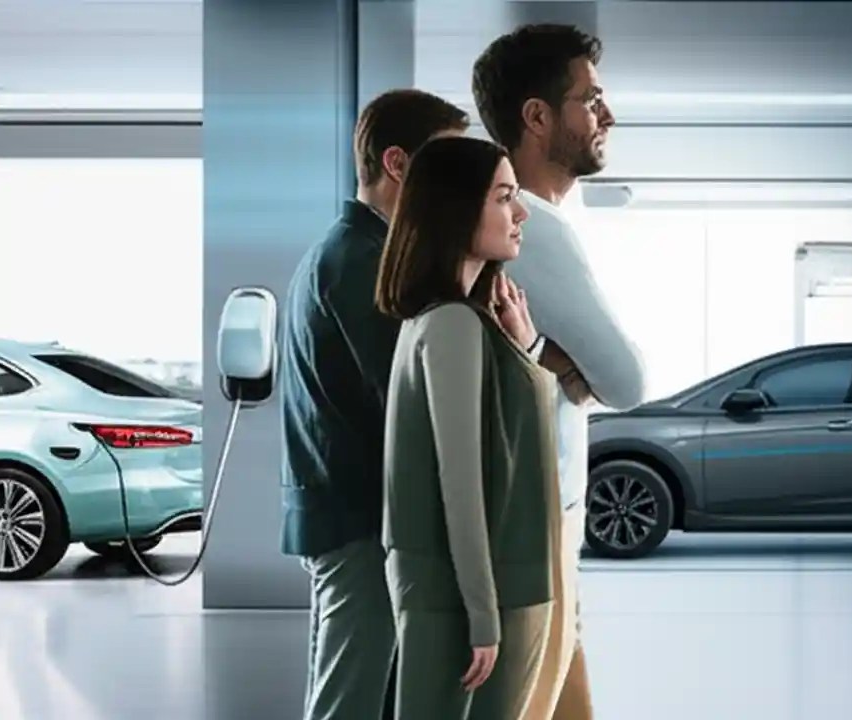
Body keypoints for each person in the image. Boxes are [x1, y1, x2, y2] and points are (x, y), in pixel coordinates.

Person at [473, 23, 648, 719]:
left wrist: (554, 356)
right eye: (590, 99)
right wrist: (563, 362)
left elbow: (600, 372)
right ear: (538, 116)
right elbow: (627, 380)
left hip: (545, 527)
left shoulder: (525, 225)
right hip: (531, 534)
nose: (608, 115)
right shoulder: (535, 229)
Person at [277, 89, 469, 720]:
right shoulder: (360, 260)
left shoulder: (344, 251)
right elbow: (409, 395)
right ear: (397, 164)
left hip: (348, 513)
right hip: (359, 520)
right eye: (440, 164)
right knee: (348, 700)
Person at [375, 135, 556, 720]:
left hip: (477, 588)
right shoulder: (453, 324)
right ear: (456, 207)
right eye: (504, 196)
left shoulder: (444, 319)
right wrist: (483, 614)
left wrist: (526, 347)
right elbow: (461, 482)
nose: (521, 211)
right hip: (483, 594)